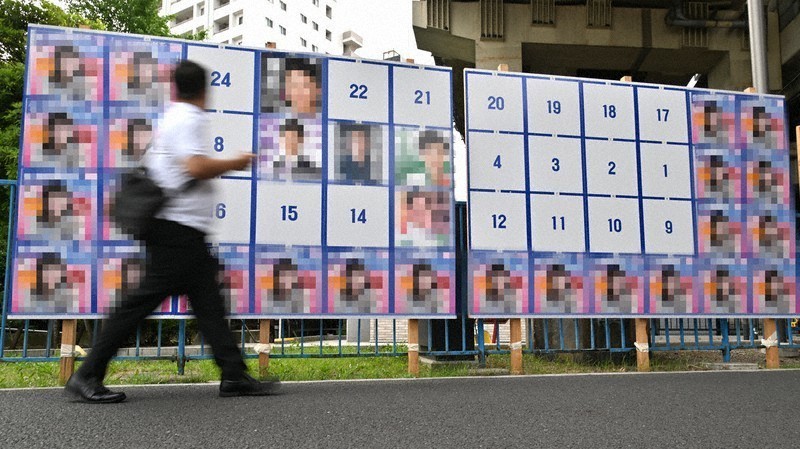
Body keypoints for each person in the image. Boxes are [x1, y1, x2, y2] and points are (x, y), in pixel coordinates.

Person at [65, 60, 279, 404]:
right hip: (174, 230)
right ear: (204, 90)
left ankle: (234, 374)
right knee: (139, 304)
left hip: (183, 231)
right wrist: (236, 162)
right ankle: (88, 373)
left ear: (176, 87)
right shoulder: (187, 118)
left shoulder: (176, 117)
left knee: (208, 303)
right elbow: (195, 167)